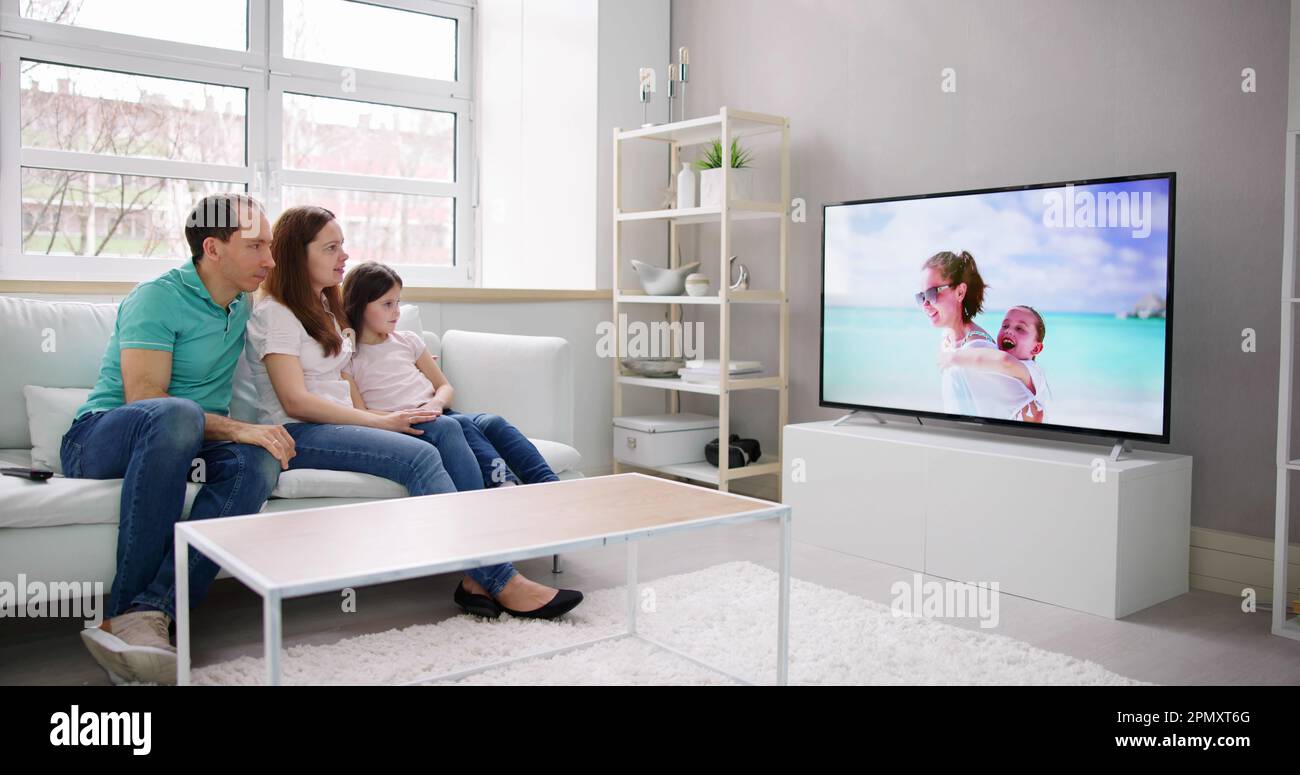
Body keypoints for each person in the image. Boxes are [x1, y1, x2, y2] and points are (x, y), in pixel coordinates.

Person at [247, 205, 582, 620]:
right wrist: (380, 421)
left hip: (334, 422)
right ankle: (502, 579)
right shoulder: (276, 312)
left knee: (443, 428)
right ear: (298, 256)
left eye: (343, 245)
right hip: (301, 430)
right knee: (421, 454)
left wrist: (397, 408)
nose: (344, 256)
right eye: (331, 248)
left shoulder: (322, 309)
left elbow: (343, 380)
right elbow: (295, 401)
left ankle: (477, 578)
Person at [62, 193, 292, 685]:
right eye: (255, 247)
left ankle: (150, 610)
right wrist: (239, 426)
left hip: (187, 436)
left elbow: (311, 290)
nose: (269, 260)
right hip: (101, 437)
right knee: (178, 414)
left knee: (259, 462)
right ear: (213, 248)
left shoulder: (245, 300)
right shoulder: (157, 297)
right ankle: (127, 609)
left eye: (270, 246)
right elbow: (145, 397)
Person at [341, 261, 560, 489]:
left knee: (493, 422)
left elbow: (445, 387)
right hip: (406, 426)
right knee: (458, 425)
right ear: (359, 306)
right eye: (387, 304)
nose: (396, 312)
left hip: (440, 412)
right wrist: (404, 416)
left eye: (398, 302)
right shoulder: (349, 356)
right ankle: (503, 486)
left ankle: (550, 486)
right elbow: (360, 412)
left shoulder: (408, 341)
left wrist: (435, 403)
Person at [938, 305, 1052, 422]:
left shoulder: (1033, 371)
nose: (1009, 330)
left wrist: (953, 357)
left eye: (1020, 328)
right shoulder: (998, 360)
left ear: (1036, 349)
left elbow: (1005, 361)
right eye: (1005, 326)